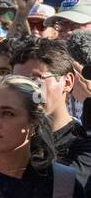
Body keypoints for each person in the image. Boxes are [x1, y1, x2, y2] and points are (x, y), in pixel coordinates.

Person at [9, 39, 91, 186]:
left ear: (67, 82)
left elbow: (59, 187)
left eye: (35, 80)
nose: (27, 89)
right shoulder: (10, 134)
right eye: (18, 82)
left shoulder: (81, 142)